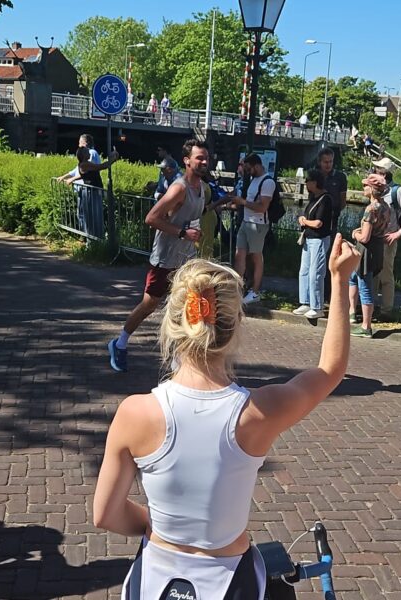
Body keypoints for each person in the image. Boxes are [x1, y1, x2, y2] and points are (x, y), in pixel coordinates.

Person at [93, 238, 361, 599]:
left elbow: (105, 514)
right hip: (230, 582)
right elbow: (331, 370)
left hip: (153, 580)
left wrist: (159, 524)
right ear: (235, 325)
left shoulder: (135, 412)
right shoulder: (258, 411)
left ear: (174, 323)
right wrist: (340, 281)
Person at [108, 139, 211, 373]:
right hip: (165, 258)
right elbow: (151, 218)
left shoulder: (202, 188)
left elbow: (189, 218)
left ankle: (178, 359)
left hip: (186, 259)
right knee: (149, 305)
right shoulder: (179, 188)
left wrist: (193, 233)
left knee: (185, 306)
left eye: (206, 158)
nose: (204, 162)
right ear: (187, 161)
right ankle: (119, 343)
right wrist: (183, 232)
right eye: (199, 158)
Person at [371, 158, 401, 314]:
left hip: (387, 238)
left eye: (377, 169)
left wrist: (399, 233)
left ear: (384, 173)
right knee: (372, 274)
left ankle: (386, 309)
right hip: (373, 237)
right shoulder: (375, 188)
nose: (374, 170)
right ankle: (369, 307)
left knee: (386, 274)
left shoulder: (397, 191)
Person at [348, 173, 391, 338]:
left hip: (366, 249)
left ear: (372, 190)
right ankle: (352, 311)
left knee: (365, 286)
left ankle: (366, 326)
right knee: (353, 277)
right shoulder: (386, 207)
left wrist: (354, 234)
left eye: (365, 186)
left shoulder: (371, 208)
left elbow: (365, 237)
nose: (363, 188)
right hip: (378, 246)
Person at [231, 153, 274, 305]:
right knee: (239, 254)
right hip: (246, 221)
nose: (248, 172)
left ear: (256, 166)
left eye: (249, 169)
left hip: (258, 224)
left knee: (256, 257)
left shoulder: (267, 182)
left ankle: (255, 291)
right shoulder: (254, 179)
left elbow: (262, 207)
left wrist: (242, 202)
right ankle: (237, 287)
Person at [293, 169, 333, 319]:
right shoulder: (313, 198)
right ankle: (305, 302)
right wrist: (302, 219)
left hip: (319, 239)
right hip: (308, 239)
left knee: (315, 273)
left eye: (308, 181)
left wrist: (304, 221)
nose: (306, 184)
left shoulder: (325, 199)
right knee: (304, 271)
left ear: (315, 182)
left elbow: (318, 222)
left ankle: (317, 306)